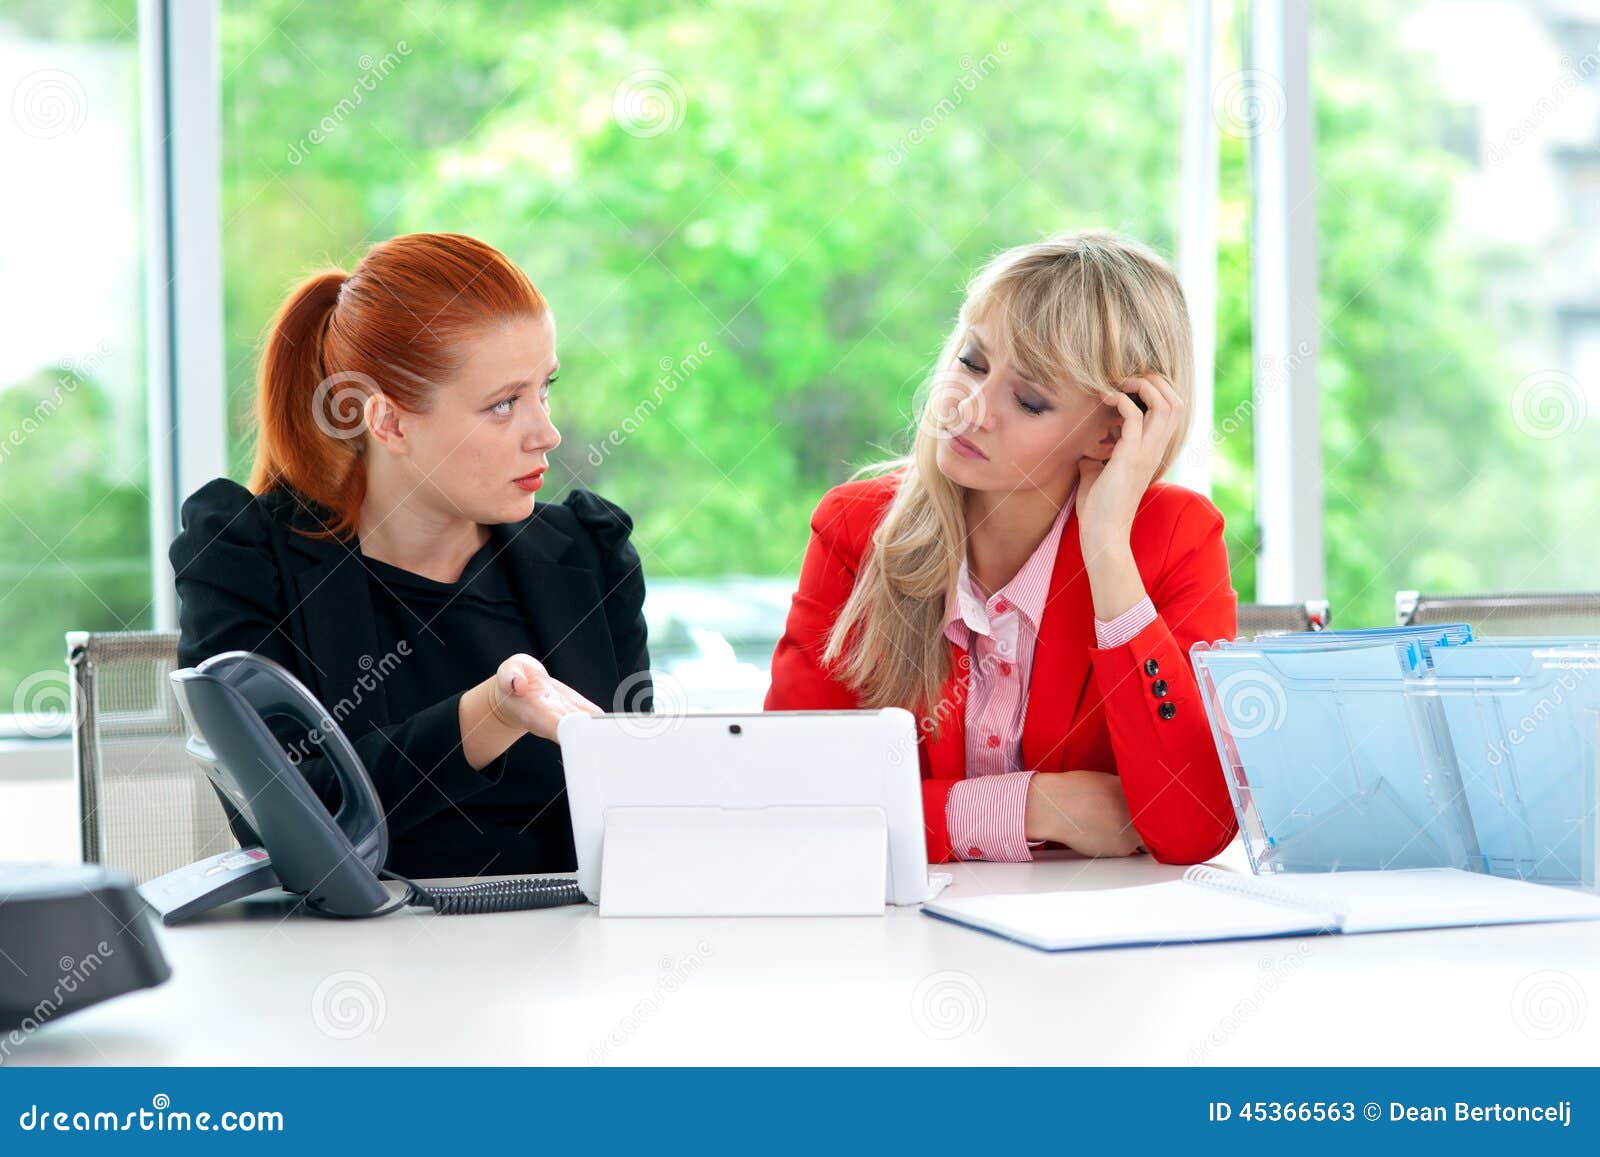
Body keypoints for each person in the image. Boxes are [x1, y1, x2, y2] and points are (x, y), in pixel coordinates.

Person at [170, 232, 648, 879]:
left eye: (545, 389)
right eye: (504, 403)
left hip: (577, 964)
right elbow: (289, 824)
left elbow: (640, 812)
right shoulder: (246, 560)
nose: (546, 432)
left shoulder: (590, 557)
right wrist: (490, 714)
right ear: (389, 423)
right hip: (338, 969)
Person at [765, 231, 1238, 865]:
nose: (971, 410)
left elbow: (1193, 826)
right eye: (972, 362)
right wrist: (1031, 806)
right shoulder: (856, 529)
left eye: (1030, 399)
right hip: (902, 946)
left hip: (1095, 950)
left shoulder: (1174, 538)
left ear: (1109, 434)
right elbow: (789, 801)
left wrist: (1106, 553)